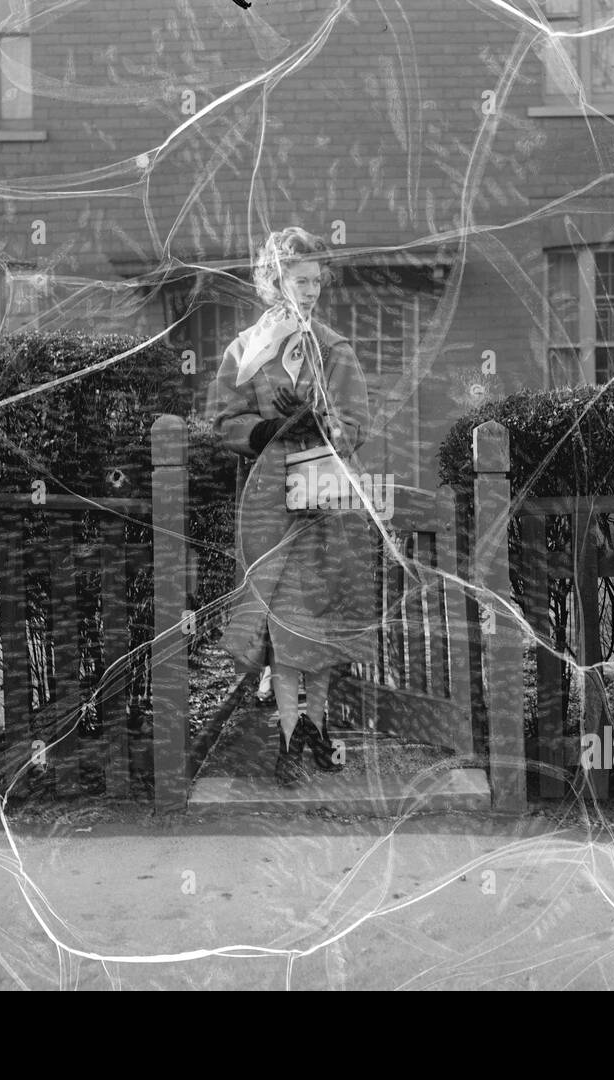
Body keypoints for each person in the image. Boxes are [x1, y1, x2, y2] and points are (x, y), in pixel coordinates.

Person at [206, 226, 378, 786]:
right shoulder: (245, 351)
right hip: (266, 503)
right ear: (273, 280)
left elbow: (355, 425)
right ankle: (286, 735)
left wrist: (316, 418)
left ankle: (318, 726)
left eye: (316, 282)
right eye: (298, 280)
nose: (309, 291)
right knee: (280, 618)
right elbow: (223, 423)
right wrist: (270, 428)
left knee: (320, 617)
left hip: (324, 495)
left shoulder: (334, 348)